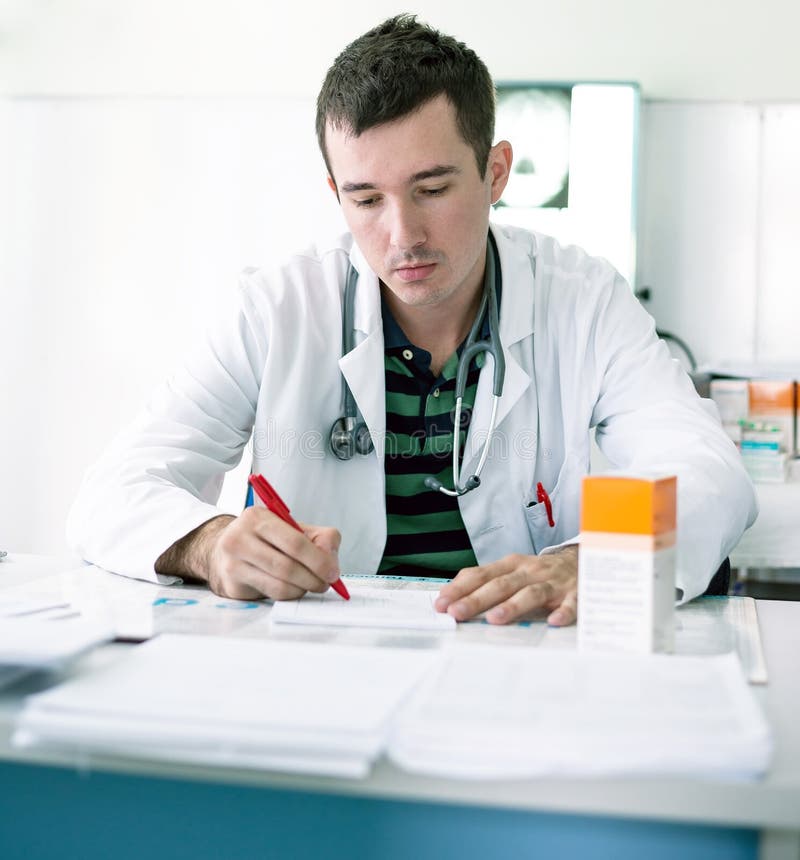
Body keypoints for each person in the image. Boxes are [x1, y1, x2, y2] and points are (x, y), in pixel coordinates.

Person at [67, 14, 756, 626]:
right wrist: (209, 541)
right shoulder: (277, 310)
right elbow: (114, 491)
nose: (403, 235)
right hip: (323, 665)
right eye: (366, 199)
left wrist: (594, 561)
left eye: (431, 189)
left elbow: (707, 475)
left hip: (517, 658)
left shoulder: (582, 300)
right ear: (335, 193)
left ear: (495, 172)